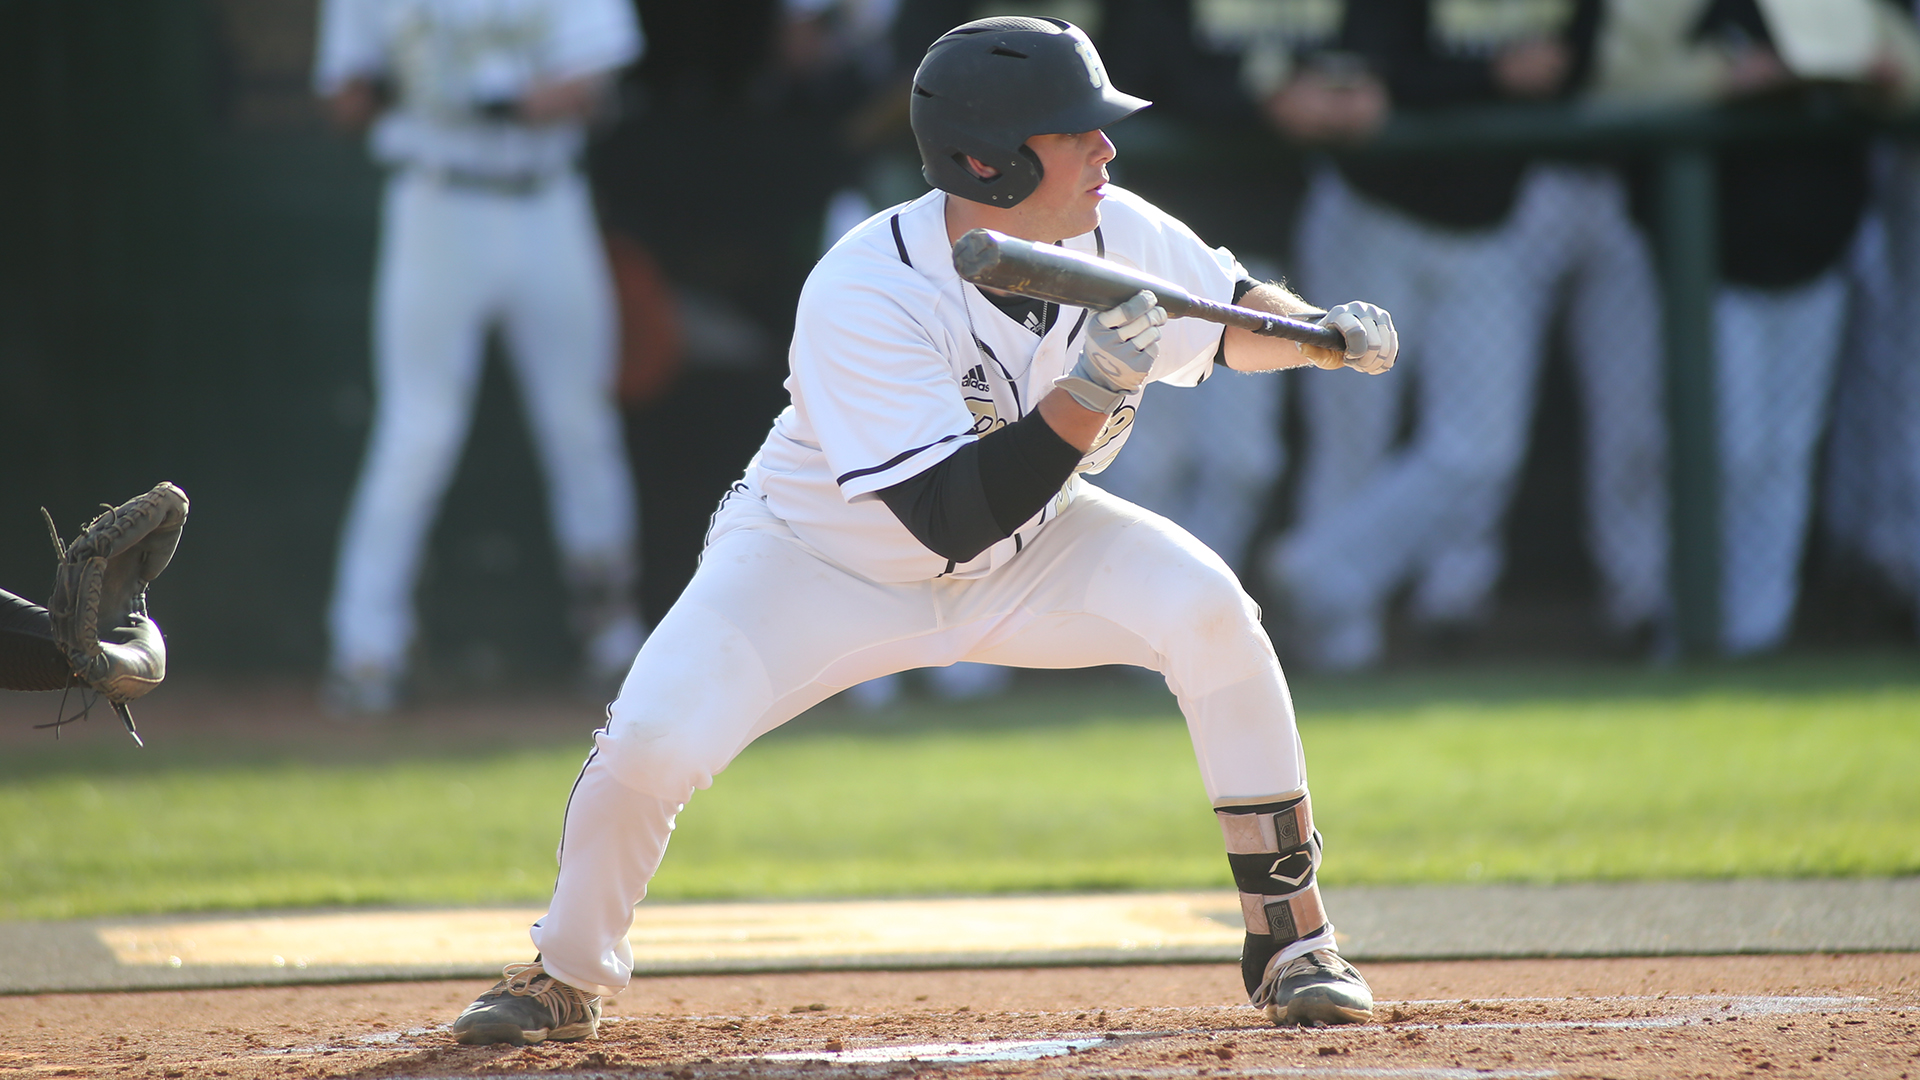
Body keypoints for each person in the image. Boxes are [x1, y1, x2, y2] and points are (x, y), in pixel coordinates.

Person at [445, 17, 1398, 1046]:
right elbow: (949, 516)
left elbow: (1228, 313)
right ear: (988, 159)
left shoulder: (1116, 226)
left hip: (1035, 547)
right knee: (648, 746)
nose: (1106, 149)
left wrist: (1318, 339)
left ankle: (1293, 941)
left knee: (1213, 612)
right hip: (816, 561)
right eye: (1077, 130)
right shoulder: (866, 286)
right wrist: (1092, 392)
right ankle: (565, 972)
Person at [1258, 0, 1671, 668]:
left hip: (1490, 222)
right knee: (1352, 436)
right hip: (1373, 210)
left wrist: (1509, 80)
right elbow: (1372, 70)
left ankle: (1317, 569)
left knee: (1485, 449)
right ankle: (1338, 655)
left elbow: (1576, 68)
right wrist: (1489, 79)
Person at [314, 0, 648, 713]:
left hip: (547, 200)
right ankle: (365, 648)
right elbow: (343, 96)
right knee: (418, 429)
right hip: (435, 199)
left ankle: (612, 639)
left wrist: (491, 98)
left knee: (579, 423)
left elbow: (589, 87)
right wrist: (400, 88)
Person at [1597, 0, 1920, 655]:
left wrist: (1885, 78)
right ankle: (1685, 634)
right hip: (1708, 265)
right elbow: (1616, 84)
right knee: (1726, 453)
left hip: (1816, 252)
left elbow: (1905, 67)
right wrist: (1730, 78)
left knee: (1784, 455)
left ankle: (1754, 639)